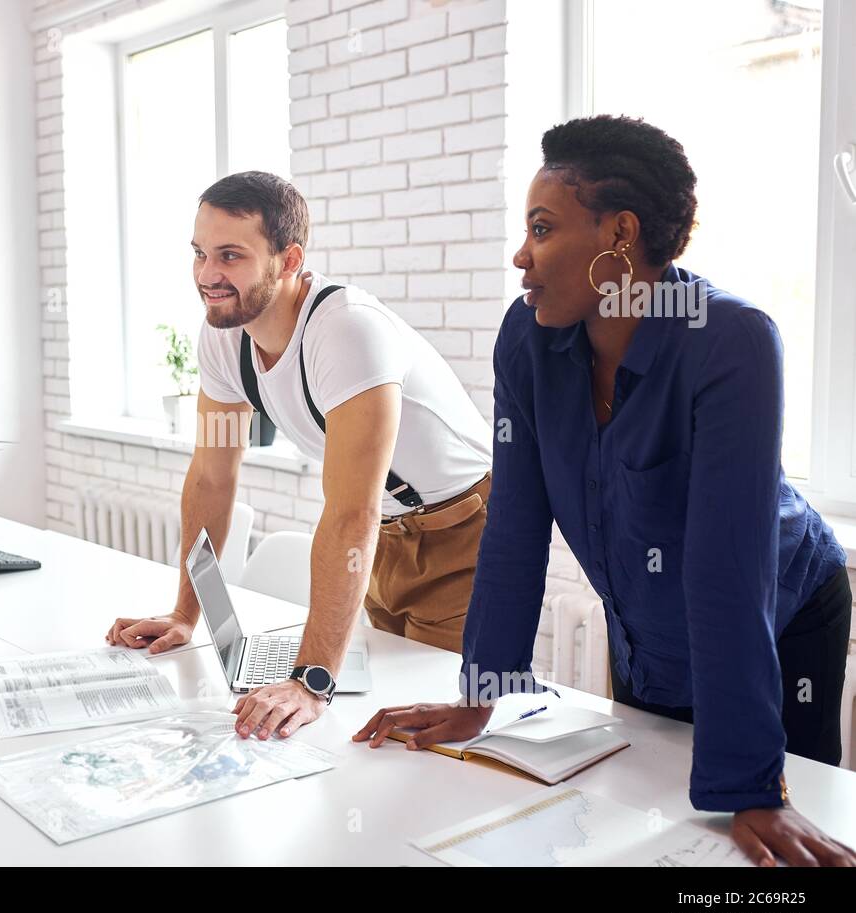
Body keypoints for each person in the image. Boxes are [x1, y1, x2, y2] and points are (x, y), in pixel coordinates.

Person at [354, 115, 856, 867]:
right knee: (651, 811)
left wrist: (754, 787)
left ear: (620, 236)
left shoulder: (732, 342)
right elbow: (515, 527)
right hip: (647, 627)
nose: (520, 255)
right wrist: (481, 694)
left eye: (543, 228)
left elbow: (726, 574)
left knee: (765, 849)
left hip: (781, 615)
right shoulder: (527, 340)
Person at [106, 171, 493, 740]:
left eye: (231, 256)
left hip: (463, 532)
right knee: (386, 718)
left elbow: (348, 513)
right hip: (385, 534)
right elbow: (212, 478)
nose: (208, 276)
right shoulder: (224, 334)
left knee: (431, 730)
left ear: (289, 260)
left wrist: (309, 681)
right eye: (200, 254)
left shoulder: (347, 332)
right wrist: (185, 615)